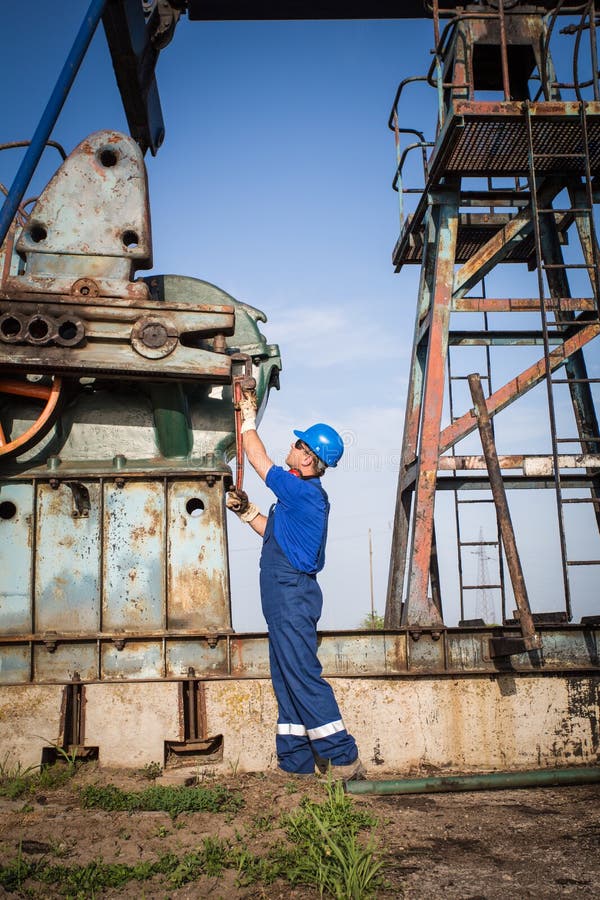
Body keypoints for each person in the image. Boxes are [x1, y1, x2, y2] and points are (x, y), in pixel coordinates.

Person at [226, 386, 364, 781]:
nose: (292, 444)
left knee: (301, 673)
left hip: (291, 594)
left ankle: (344, 758)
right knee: (285, 674)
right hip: (284, 595)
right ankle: (296, 762)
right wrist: (247, 511)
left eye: (298, 443)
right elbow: (275, 534)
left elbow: (256, 458)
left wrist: (247, 419)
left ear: (308, 457)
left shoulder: (301, 491)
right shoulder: (299, 498)